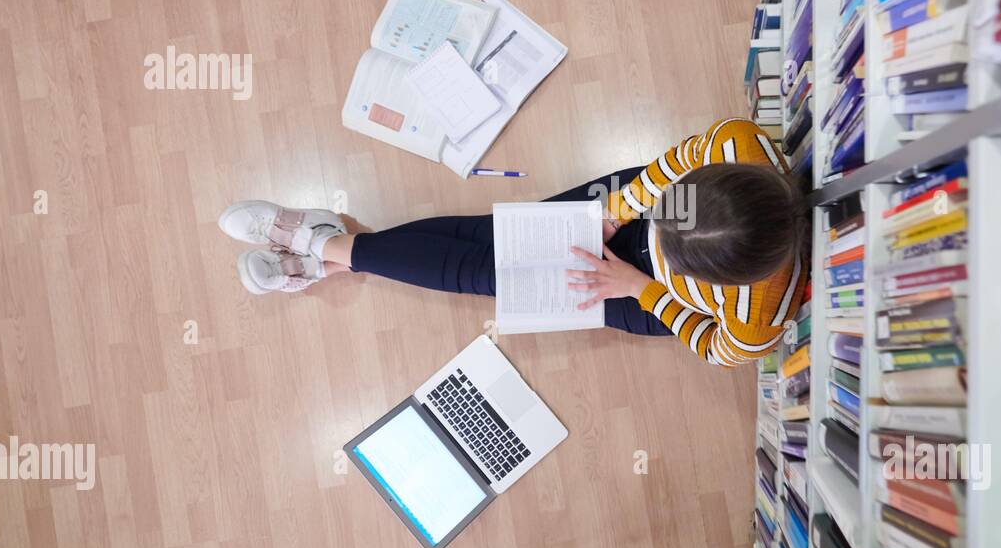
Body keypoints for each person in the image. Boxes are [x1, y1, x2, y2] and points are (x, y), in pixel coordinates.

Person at [218, 118, 809, 367]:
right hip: (634, 208)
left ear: (725, 283)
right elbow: (665, 170)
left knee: (491, 275)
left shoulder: (758, 325)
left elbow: (709, 345)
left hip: (652, 297)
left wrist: (640, 285)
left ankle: (324, 248)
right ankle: (327, 250)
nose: (655, 238)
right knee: (495, 237)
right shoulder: (737, 145)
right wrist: (617, 213)